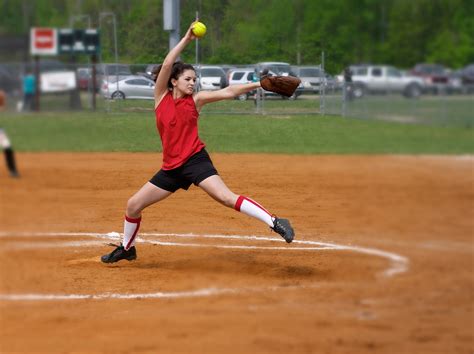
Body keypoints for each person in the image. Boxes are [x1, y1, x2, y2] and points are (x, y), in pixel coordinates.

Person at [101, 22, 295, 263]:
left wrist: (260, 84)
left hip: (195, 160)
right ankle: (127, 249)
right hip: (171, 168)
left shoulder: (197, 100)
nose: (192, 83)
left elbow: (229, 92)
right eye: (187, 79)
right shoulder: (161, 97)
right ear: (174, 81)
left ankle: (274, 222)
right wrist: (186, 39)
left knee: (225, 197)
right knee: (133, 205)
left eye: (194, 79)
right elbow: (168, 63)